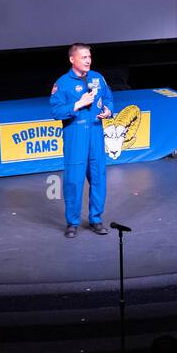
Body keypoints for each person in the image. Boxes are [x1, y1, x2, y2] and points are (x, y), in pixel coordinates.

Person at [49, 43, 116, 238]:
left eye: (89, 57)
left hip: (95, 133)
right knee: (74, 180)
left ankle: (96, 219)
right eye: (83, 57)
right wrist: (78, 104)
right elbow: (55, 111)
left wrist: (108, 110)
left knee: (98, 178)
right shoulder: (62, 83)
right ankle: (72, 223)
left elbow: (109, 99)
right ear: (72, 59)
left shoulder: (97, 78)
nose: (88, 60)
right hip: (75, 137)